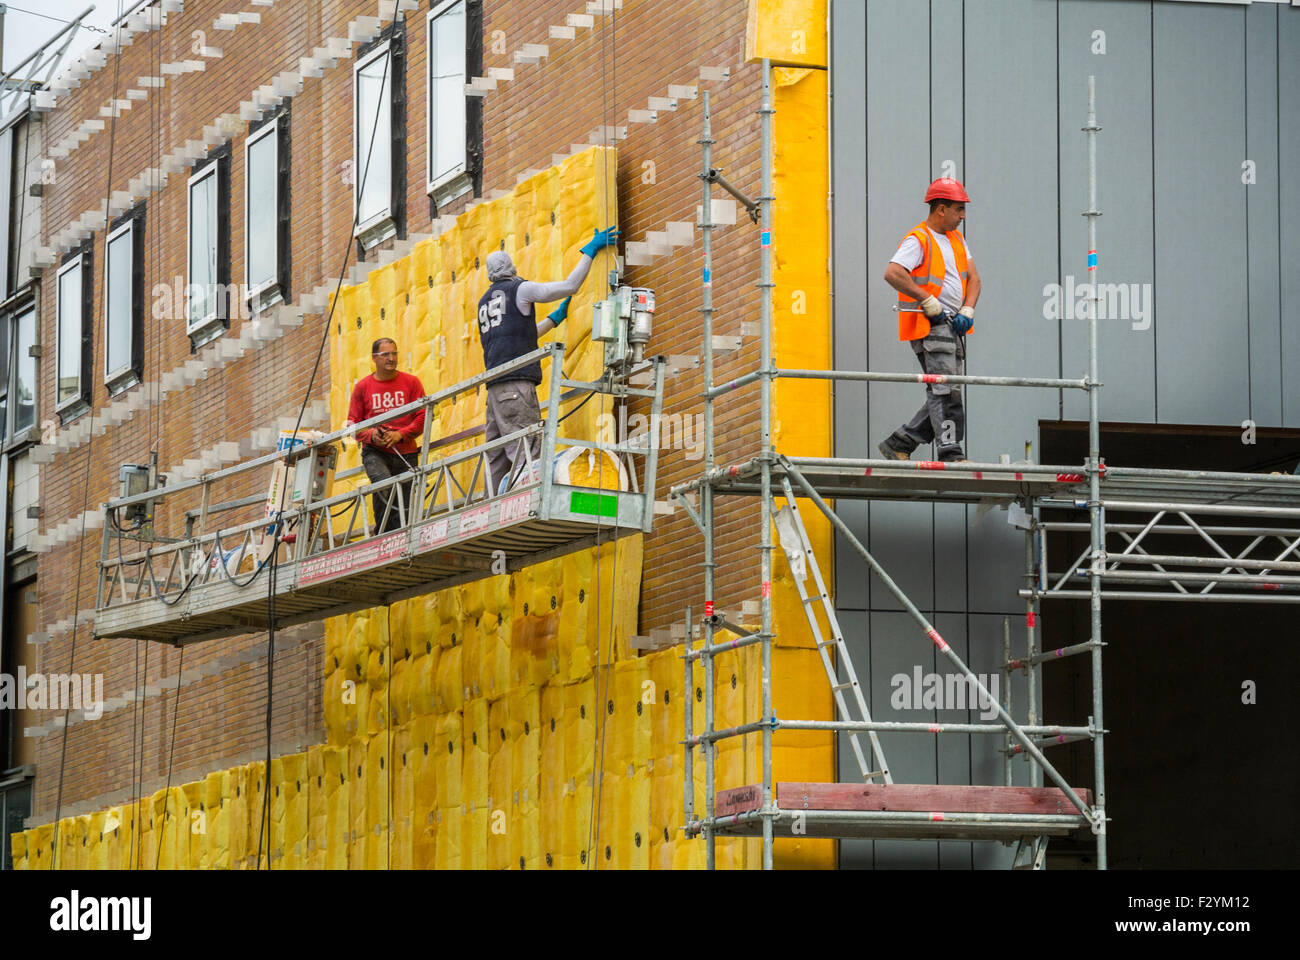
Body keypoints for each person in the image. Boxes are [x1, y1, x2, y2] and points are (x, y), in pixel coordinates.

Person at [476, 225, 619, 493]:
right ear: (511, 265)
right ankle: (530, 499)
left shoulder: (485, 302)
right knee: (527, 449)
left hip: (495, 390)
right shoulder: (519, 289)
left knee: (496, 456)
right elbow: (570, 286)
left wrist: (553, 321)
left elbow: (516, 336)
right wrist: (589, 251)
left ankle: (491, 505)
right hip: (516, 387)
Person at [877, 177, 982, 464]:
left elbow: (974, 279)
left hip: (953, 325)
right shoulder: (918, 238)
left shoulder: (957, 239)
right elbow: (893, 273)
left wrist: (968, 309)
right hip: (931, 325)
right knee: (945, 389)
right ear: (940, 209)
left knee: (945, 388)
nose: (963, 216)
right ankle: (951, 453)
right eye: (958, 209)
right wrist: (927, 300)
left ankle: (901, 441)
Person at [346, 337, 427, 533]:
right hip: (376, 452)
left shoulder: (411, 382)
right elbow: (351, 425)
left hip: (405, 451)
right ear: (374, 358)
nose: (391, 358)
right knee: (384, 487)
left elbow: (424, 415)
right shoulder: (362, 387)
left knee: (405, 504)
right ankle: (382, 534)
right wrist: (372, 435)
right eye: (385, 355)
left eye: (394, 353)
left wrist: (401, 434)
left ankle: (401, 537)